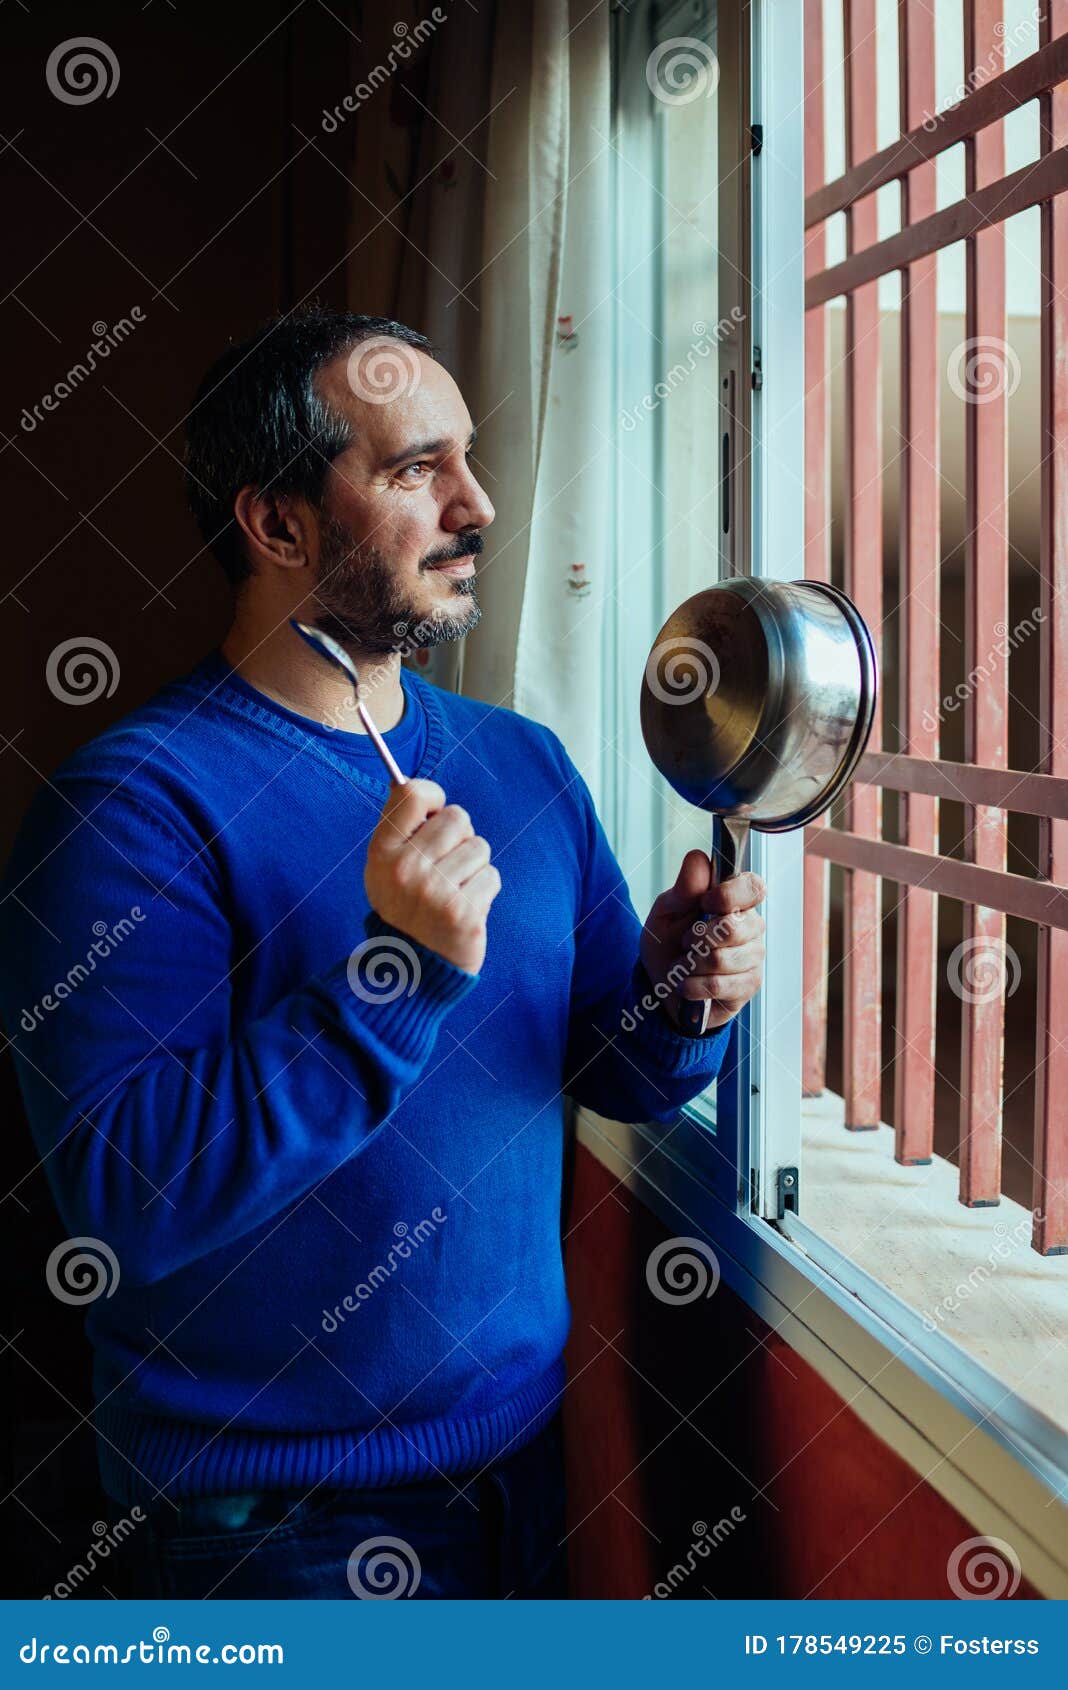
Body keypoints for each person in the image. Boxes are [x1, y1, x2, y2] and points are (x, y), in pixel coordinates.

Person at [0, 308, 766, 1599]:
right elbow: (124, 1198)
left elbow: (610, 1075)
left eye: (467, 456)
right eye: (416, 468)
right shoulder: (130, 808)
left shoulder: (522, 764)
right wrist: (392, 978)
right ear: (278, 524)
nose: (476, 502)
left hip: (520, 1474)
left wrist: (679, 996)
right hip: (257, 1530)